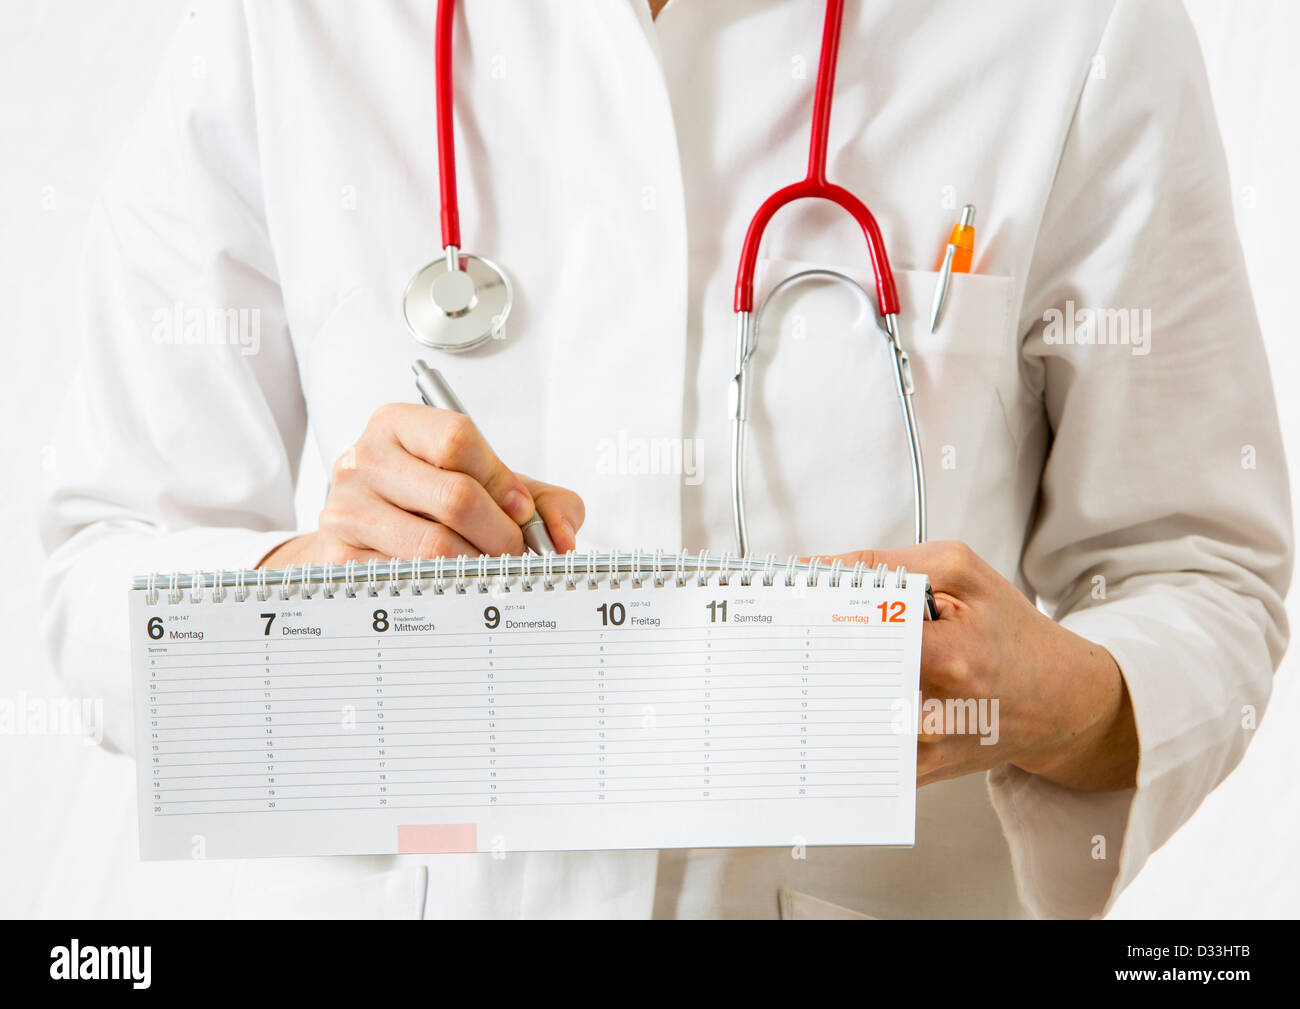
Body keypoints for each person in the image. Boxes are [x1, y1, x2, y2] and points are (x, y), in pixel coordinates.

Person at [39, 0, 1291, 919]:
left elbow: (1201, 561)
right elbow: (99, 576)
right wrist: (301, 581)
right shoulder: (285, 28)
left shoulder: (1070, 28)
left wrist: (1074, 701)